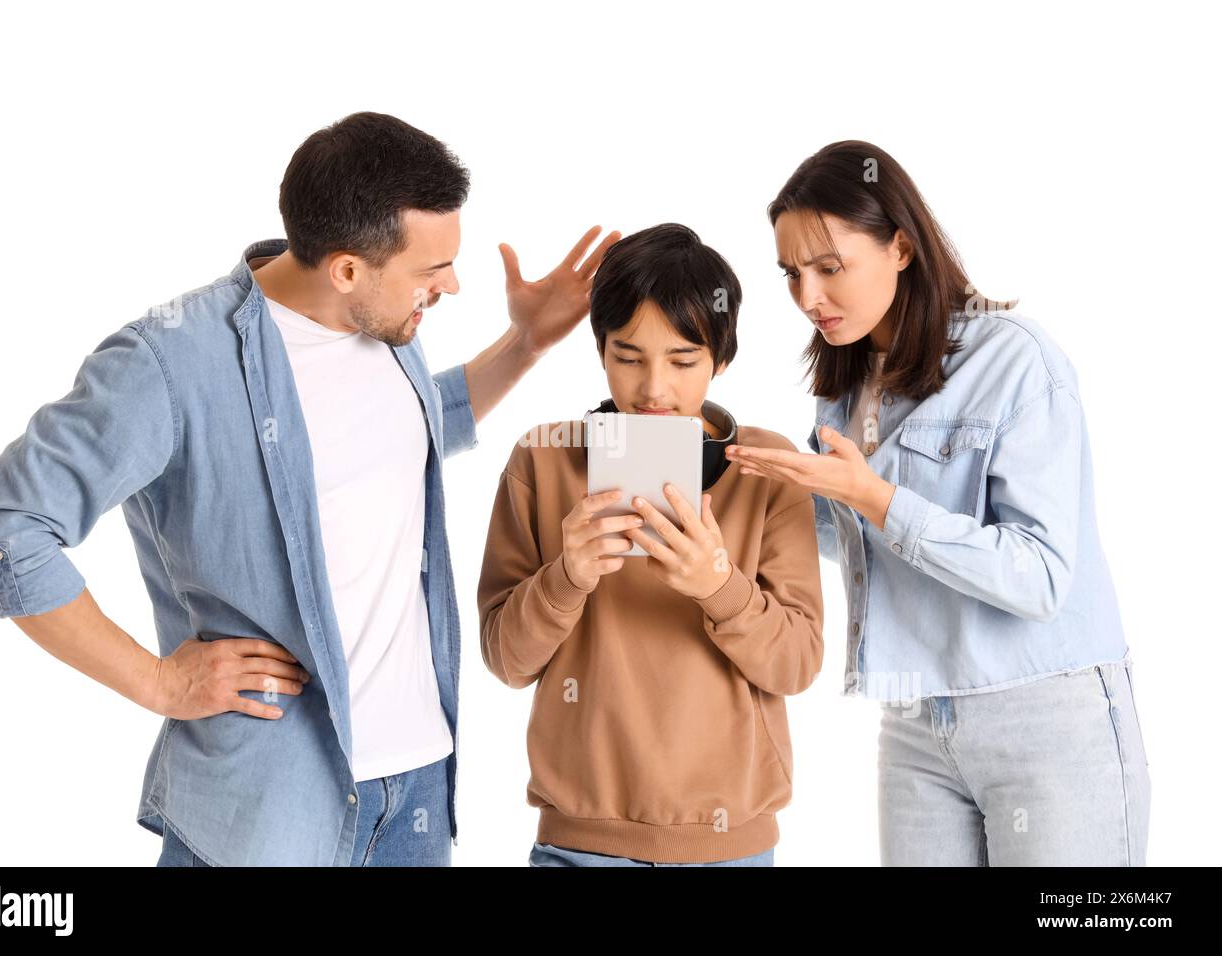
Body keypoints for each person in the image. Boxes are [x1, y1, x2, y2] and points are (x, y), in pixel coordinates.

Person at [0, 111, 619, 866]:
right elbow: (1, 533)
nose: (452, 286)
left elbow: (404, 431)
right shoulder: (169, 361)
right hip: (272, 810)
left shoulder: (383, 323)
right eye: (432, 271)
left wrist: (526, 342)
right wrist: (158, 683)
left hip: (417, 788)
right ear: (347, 270)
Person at [728, 140, 1149, 865]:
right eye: (792, 273)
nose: (808, 297)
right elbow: (848, 533)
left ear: (900, 247)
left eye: (830, 268)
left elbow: (1040, 576)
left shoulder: (1015, 360)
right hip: (917, 723)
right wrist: (748, 487)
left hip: (1048, 719)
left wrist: (876, 496)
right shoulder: (844, 388)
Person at [477, 223, 825, 866]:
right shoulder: (543, 458)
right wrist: (566, 578)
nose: (654, 390)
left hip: (730, 848)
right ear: (601, 352)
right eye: (628, 357)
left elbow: (798, 664)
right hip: (579, 844)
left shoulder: (769, 467)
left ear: (721, 359)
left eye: (683, 360)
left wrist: (719, 587)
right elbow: (505, 660)